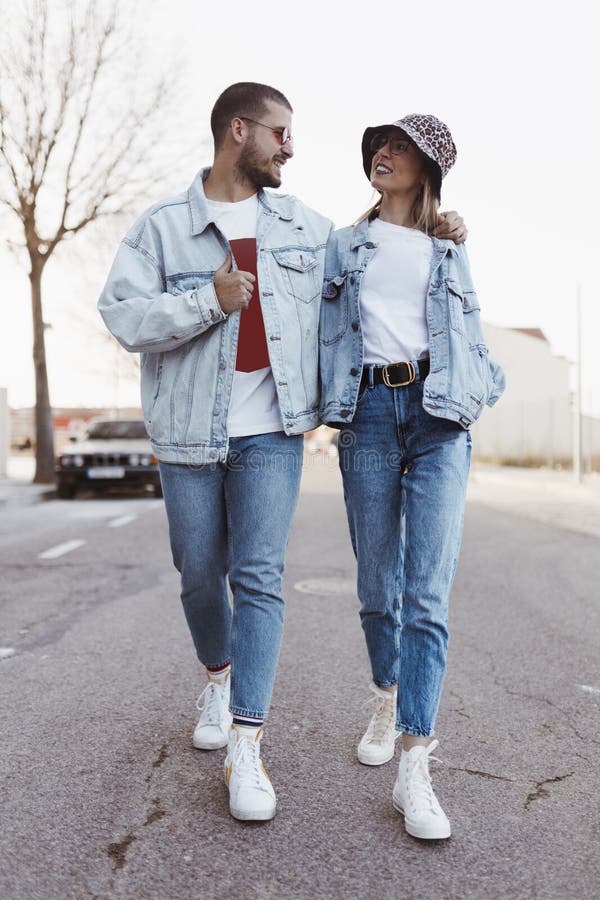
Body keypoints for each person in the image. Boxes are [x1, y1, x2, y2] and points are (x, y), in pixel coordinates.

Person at [98, 83, 466, 823]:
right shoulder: (163, 228)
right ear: (240, 132)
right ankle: (217, 674)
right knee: (200, 572)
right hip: (189, 435)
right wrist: (208, 300)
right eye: (280, 132)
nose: (291, 146)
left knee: (261, 579)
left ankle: (248, 746)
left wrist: (442, 225)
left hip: (273, 429)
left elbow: (379, 253)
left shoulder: (309, 228)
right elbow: (124, 314)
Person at [319, 114, 505, 840]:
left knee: (426, 595)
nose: (383, 156)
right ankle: (384, 697)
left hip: (436, 419)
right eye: (379, 147)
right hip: (366, 411)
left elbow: (474, 342)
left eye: (399, 149)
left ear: (427, 168)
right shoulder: (340, 245)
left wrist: (474, 398)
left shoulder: (449, 250)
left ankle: (415, 765)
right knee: (377, 585)